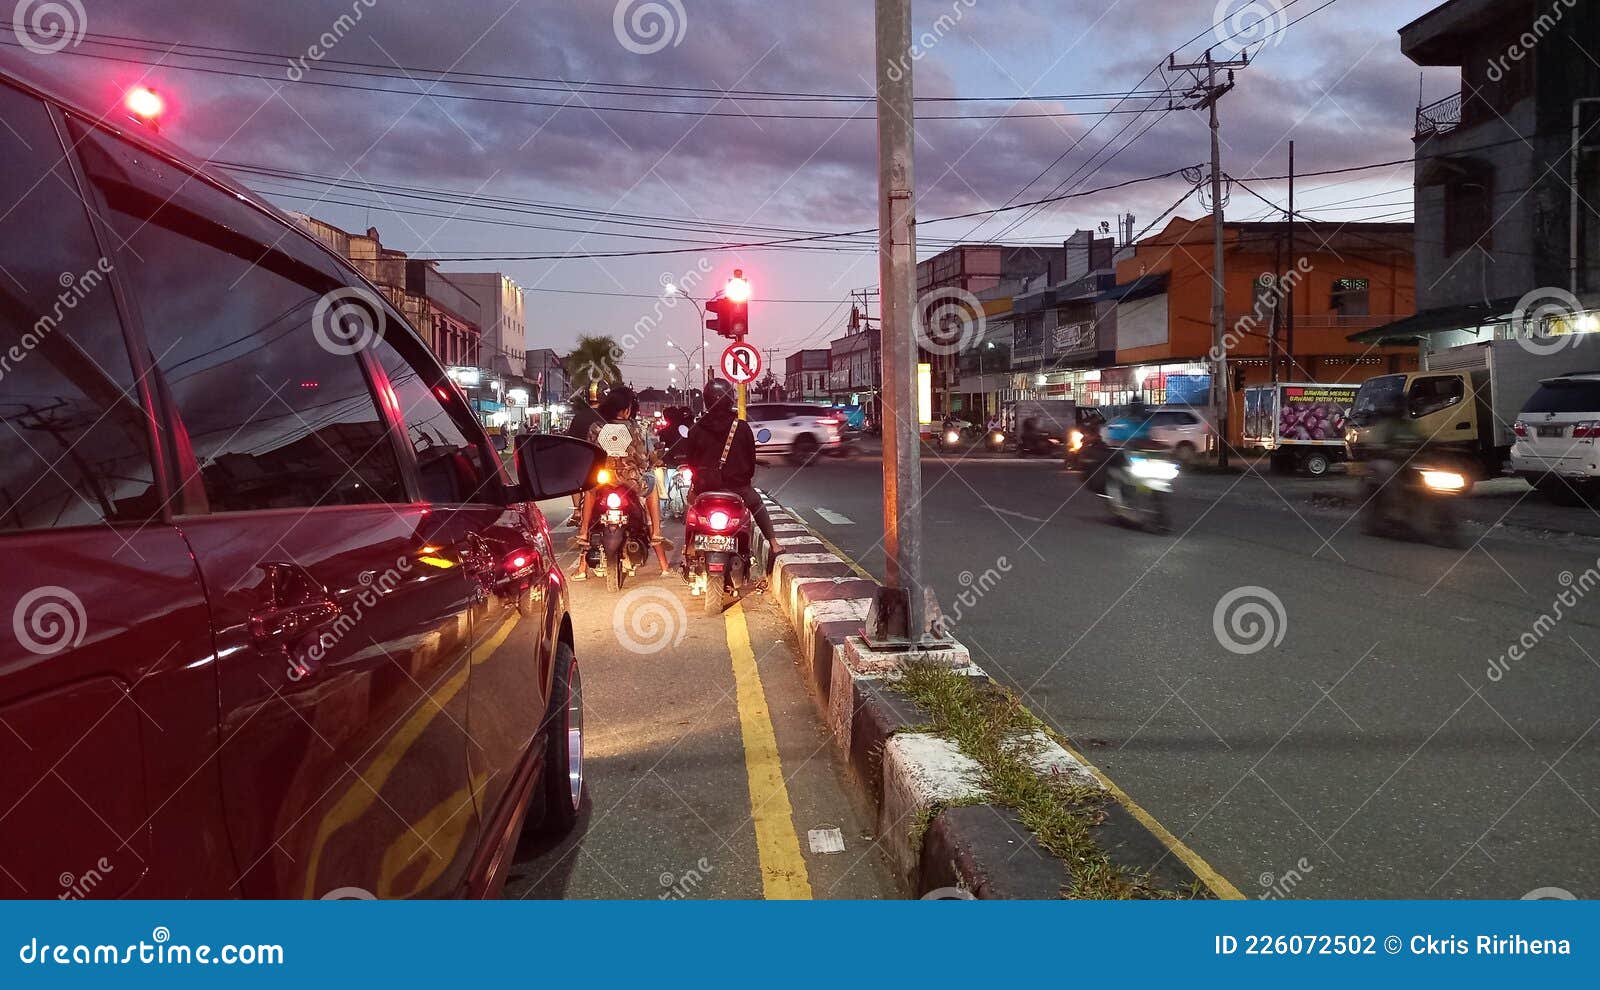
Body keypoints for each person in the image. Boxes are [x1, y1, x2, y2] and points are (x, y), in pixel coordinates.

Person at [574, 387, 673, 579]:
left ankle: (584, 534)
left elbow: (590, 454)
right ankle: (658, 538)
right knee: (652, 485)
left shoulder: (596, 428)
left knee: (589, 492)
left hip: (602, 480)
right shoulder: (638, 428)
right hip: (632, 480)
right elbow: (645, 460)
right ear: (627, 410)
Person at [683, 378, 783, 557]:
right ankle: (774, 544)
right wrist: (742, 478)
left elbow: (691, 461)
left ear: (706, 400)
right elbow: (750, 461)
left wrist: (699, 480)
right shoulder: (742, 427)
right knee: (757, 504)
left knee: (692, 508)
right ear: (730, 399)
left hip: (705, 487)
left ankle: (690, 546)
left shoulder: (696, 428)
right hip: (738, 488)